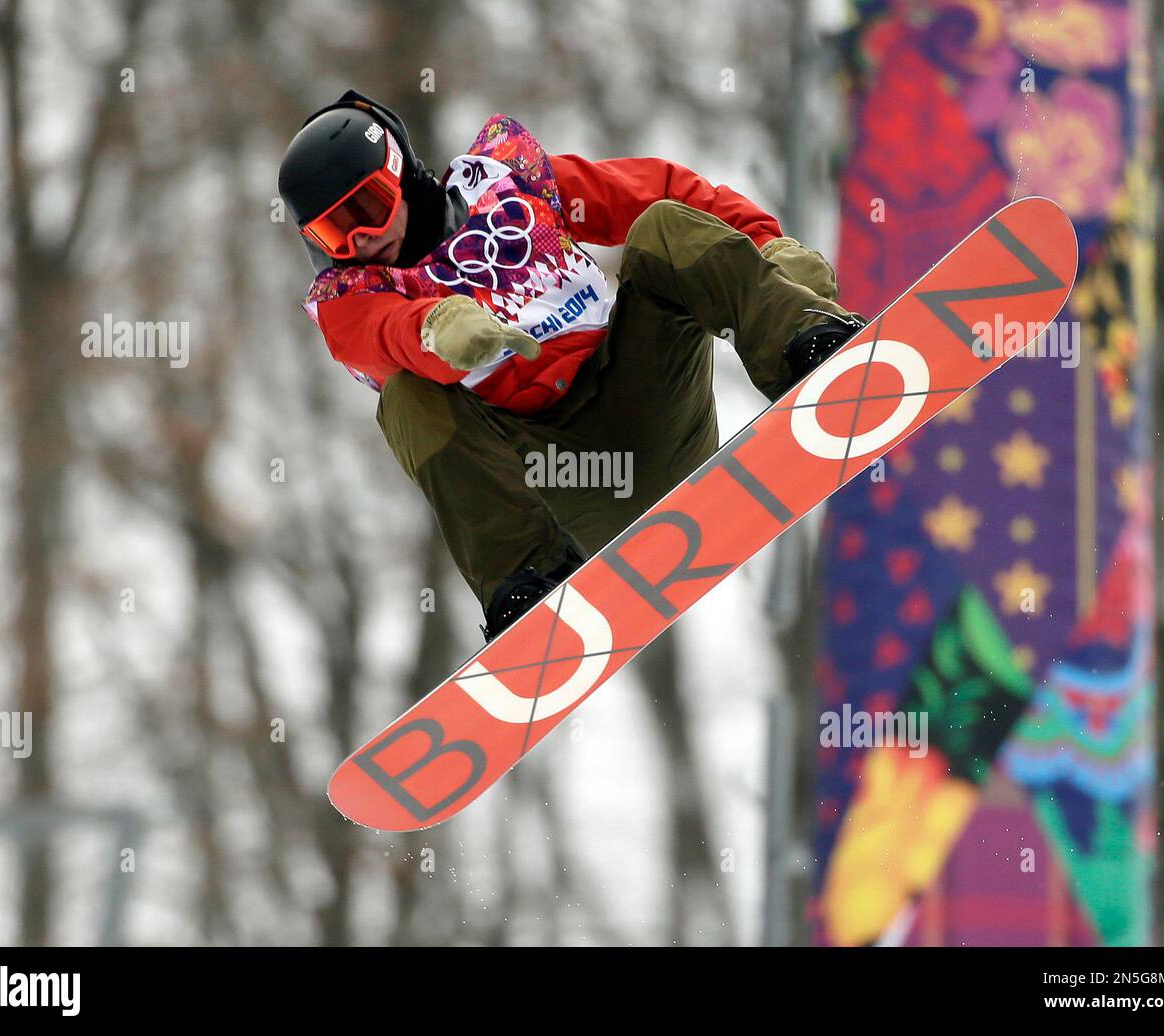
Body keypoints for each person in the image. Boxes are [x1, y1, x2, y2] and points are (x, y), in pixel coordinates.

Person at [278, 91, 863, 640]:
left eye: (371, 207)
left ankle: (805, 344)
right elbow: (380, 336)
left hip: (644, 406)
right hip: (555, 481)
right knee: (406, 399)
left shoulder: (507, 183)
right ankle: (526, 583)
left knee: (660, 228)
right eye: (336, 230)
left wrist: (764, 245)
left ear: (399, 171)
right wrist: (433, 327)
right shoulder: (352, 297)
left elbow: (656, 191)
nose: (363, 237)